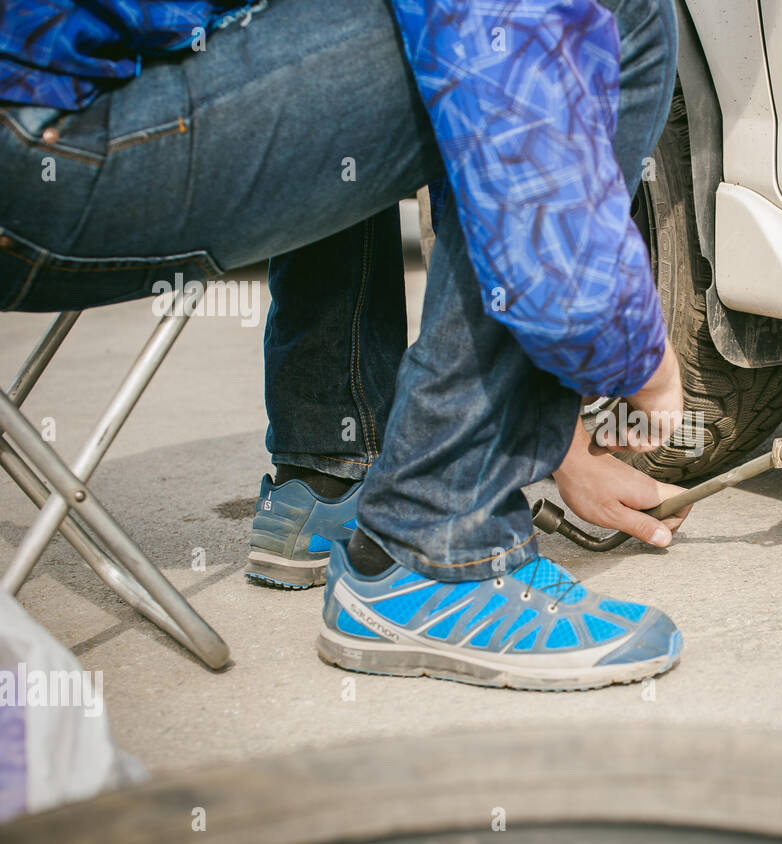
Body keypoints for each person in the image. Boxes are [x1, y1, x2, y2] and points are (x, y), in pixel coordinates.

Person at [0, 0, 689, 690]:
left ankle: (328, 468)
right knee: (609, 16)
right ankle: (438, 539)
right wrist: (632, 353)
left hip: (40, 102)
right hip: (40, 137)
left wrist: (534, 423)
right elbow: (505, 62)